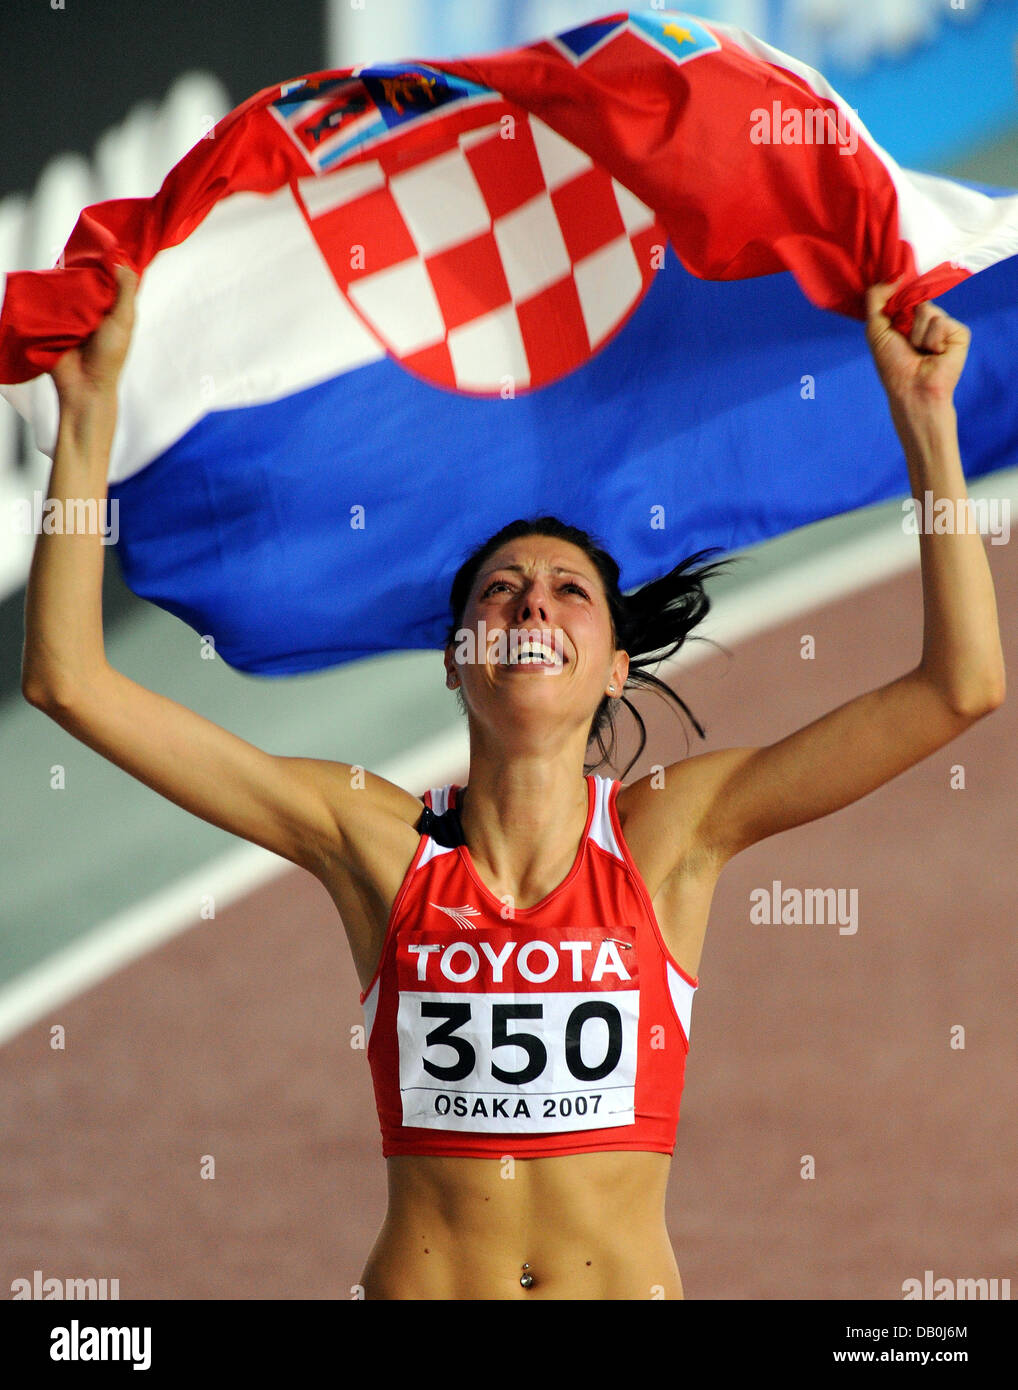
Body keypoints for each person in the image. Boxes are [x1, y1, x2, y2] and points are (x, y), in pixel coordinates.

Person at [22, 267, 1004, 1300]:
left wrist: (929, 427)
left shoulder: (673, 829)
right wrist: (86, 422)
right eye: (501, 591)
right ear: (454, 657)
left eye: (568, 591)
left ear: (616, 662)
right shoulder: (373, 839)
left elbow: (959, 687)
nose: (532, 606)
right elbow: (69, 679)